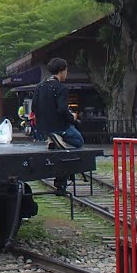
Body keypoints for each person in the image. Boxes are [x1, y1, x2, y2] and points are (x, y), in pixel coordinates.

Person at [34, 57, 84, 195]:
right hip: (59, 126)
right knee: (79, 141)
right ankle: (57, 138)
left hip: (43, 126)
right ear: (62, 71)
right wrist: (72, 118)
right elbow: (62, 109)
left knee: (59, 149)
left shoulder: (40, 86)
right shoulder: (61, 88)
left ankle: (52, 140)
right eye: (67, 70)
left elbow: (34, 107)